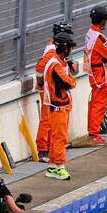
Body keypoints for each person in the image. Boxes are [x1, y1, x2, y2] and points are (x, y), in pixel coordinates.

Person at [35, 21, 73, 163]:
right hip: (49, 91)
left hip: (52, 89)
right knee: (47, 120)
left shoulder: (56, 47)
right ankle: (43, 150)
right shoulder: (53, 50)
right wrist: (41, 84)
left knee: (53, 122)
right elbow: (39, 68)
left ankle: (51, 148)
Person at [42, 34, 78, 179]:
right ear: (64, 48)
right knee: (60, 138)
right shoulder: (55, 65)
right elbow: (68, 83)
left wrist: (69, 69)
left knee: (57, 136)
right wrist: (72, 80)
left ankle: (51, 166)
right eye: (69, 47)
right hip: (58, 107)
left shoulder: (59, 62)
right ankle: (59, 166)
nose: (71, 50)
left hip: (60, 106)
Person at [84, 7, 107, 145]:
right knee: (99, 105)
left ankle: (92, 132)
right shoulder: (99, 37)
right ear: (102, 20)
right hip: (100, 75)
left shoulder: (90, 33)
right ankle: (94, 134)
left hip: (93, 73)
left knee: (94, 104)